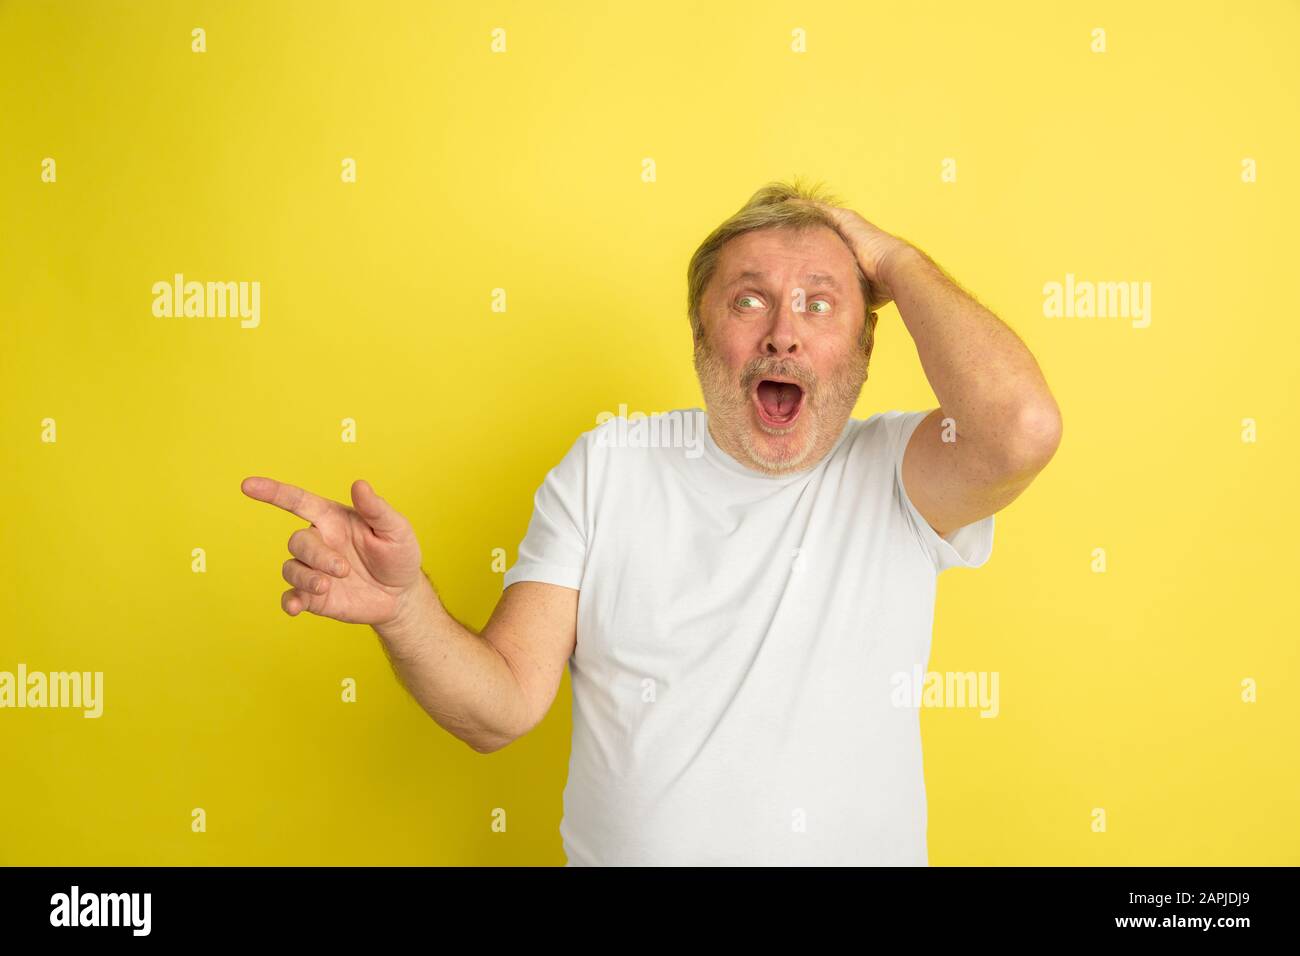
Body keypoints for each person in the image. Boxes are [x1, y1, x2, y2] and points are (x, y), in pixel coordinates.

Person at [242, 180, 1062, 865]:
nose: (783, 331)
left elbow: (1021, 427)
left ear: (863, 347)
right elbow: (499, 711)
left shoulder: (900, 474)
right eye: (750, 301)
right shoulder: (610, 466)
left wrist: (893, 259)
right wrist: (405, 609)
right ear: (703, 332)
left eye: (820, 304)